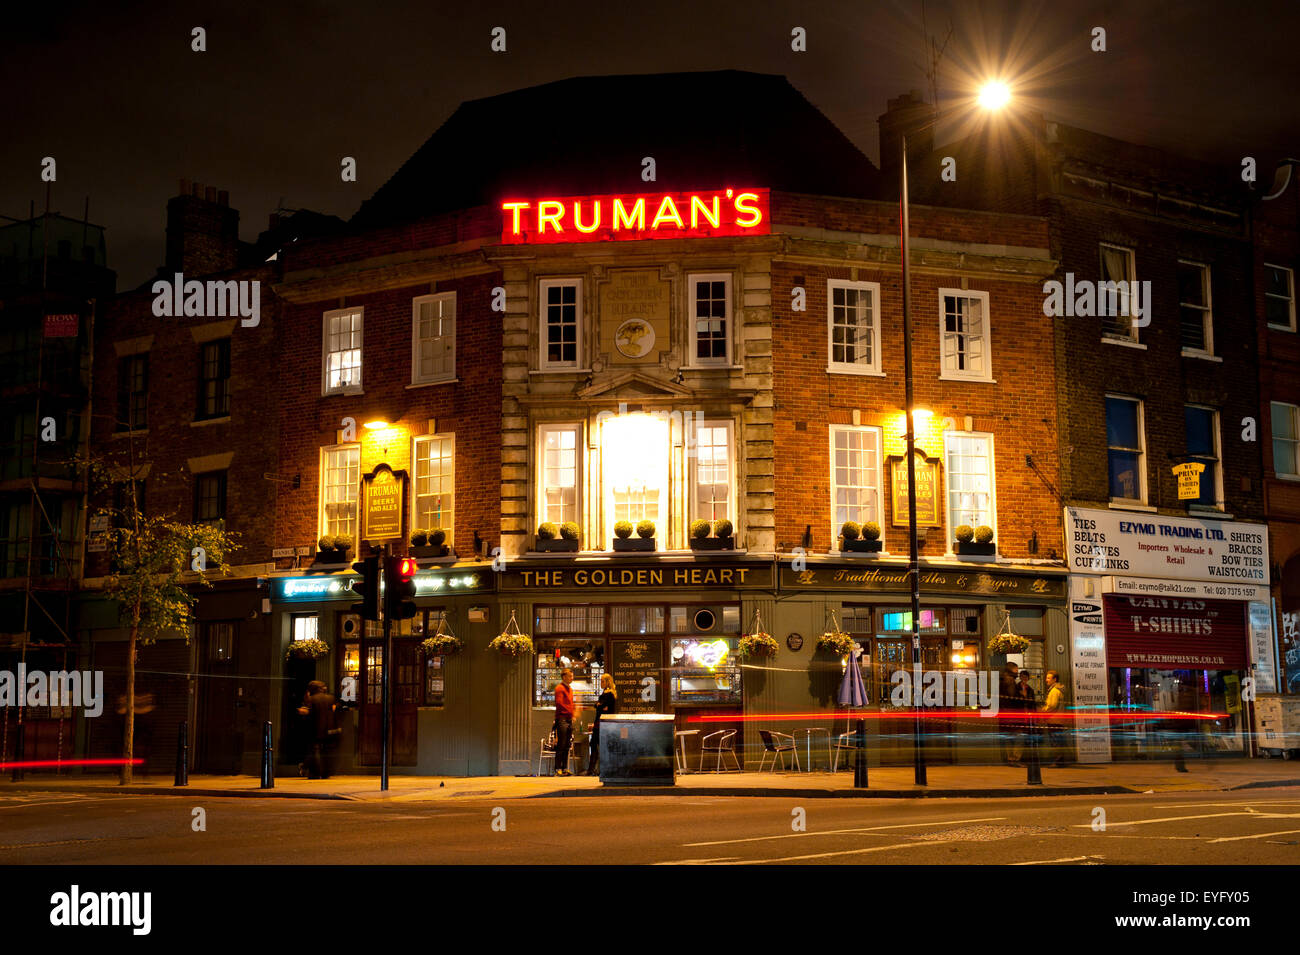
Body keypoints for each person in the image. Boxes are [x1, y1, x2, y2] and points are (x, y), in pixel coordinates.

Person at [303, 680, 338, 779]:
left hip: (316, 728)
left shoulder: (311, 699)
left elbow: (306, 712)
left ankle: (316, 772)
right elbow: (334, 711)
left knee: (315, 750)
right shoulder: (331, 698)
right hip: (329, 728)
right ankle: (326, 772)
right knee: (327, 751)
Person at [586, 673, 617, 776]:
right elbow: (599, 706)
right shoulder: (607, 693)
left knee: (597, 745)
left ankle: (593, 770)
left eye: (602, 681)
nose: (600, 682)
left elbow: (603, 707)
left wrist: (599, 705)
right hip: (602, 724)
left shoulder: (609, 694)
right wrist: (599, 705)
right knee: (598, 745)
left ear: (607, 682)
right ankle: (595, 769)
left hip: (602, 724)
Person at [1041, 670, 1068, 767]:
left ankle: (1058, 761)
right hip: (1058, 719)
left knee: (1055, 741)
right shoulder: (1057, 690)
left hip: (1054, 719)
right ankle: (1060, 760)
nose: (1046, 680)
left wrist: (1044, 710)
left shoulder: (1054, 691)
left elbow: (1052, 705)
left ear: (1054, 679)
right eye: (1046, 677)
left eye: (1048, 678)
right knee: (1058, 740)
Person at [553, 669, 575, 776]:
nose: (572, 678)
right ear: (564, 676)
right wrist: (569, 711)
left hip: (569, 719)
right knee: (561, 744)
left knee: (567, 744)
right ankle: (557, 768)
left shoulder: (570, 689)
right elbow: (559, 703)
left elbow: (571, 703)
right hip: (562, 718)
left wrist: (573, 713)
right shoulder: (559, 688)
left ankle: (565, 768)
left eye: (572, 676)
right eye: (570, 676)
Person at [999, 662, 1020, 763]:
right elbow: (1013, 698)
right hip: (1011, 713)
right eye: (1016, 670)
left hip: (1005, 714)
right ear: (1011, 670)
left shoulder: (1003, 679)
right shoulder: (1010, 681)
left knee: (1009, 737)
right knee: (1018, 737)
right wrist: (1022, 696)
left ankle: (1010, 758)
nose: (1018, 672)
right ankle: (1014, 759)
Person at [1014, 669, 1037, 764]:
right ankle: (1016, 758)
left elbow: (1033, 704)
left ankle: (1022, 758)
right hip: (1019, 717)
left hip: (1028, 718)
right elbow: (1014, 702)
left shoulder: (1030, 690)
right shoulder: (1016, 688)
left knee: (1025, 739)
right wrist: (1022, 696)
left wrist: (1035, 718)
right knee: (1019, 738)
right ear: (1020, 677)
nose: (1024, 679)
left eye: (1026, 677)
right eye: (1022, 677)